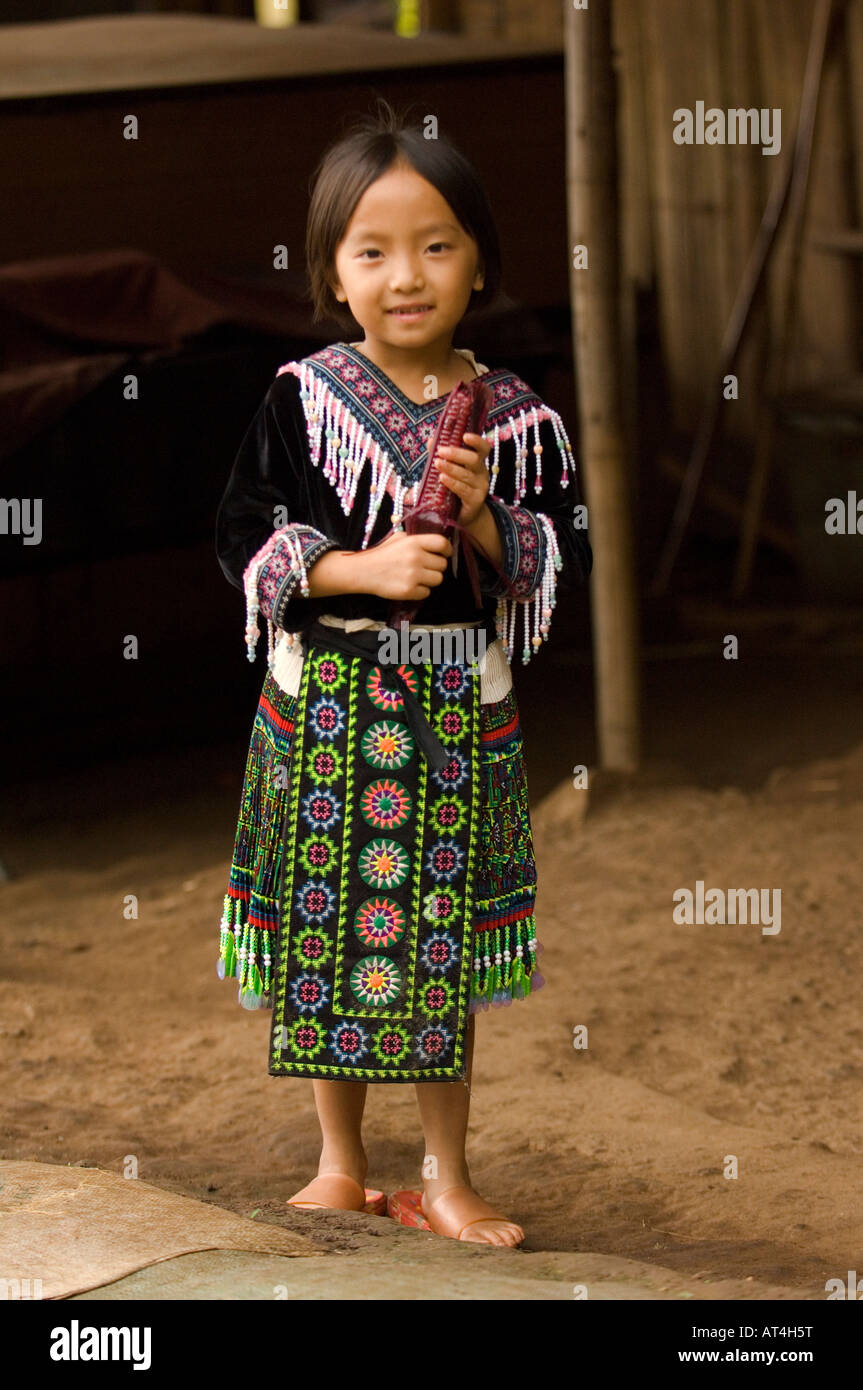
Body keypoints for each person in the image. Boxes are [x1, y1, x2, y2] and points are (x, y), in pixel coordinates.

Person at [214, 100, 592, 1246]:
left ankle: (445, 1173)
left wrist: (483, 527)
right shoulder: (302, 395)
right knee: (329, 929)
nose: (405, 274)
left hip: (452, 709)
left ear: (478, 260)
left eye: (434, 244)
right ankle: (336, 1161)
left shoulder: (515, 420)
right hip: (327, 707)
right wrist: (362, 569)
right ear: (334, 270)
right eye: (371, 250)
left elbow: (558, 553)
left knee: (436, 942)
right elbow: (241, 531)